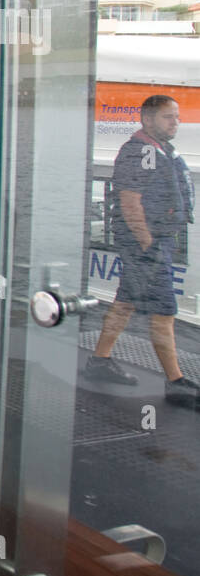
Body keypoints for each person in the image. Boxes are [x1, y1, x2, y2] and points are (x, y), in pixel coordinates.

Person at [91, 94, 200, 407]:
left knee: (126, 302)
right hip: (148, 246)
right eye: (169, 117)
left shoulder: (162, 150)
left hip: (154, 243)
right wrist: (148, 243)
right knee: (164, 311)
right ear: (148, 120)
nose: (176, 122)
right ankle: (176, 382)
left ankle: (99, 360)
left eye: (177, 117)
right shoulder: (139, 152)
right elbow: (130, 201)